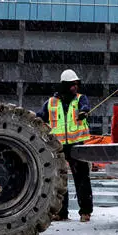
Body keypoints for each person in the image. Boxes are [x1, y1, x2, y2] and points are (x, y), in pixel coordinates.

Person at [37, 69, 93, 222]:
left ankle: (85, 212)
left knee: (82, 178)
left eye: (77, 84)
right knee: (59, 180)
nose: (76, 87)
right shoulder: (51, 103)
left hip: (77, 145)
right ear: (65, 85)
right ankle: (61, 212)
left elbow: (85, 107)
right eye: (73, 84)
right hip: (58, 146)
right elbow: (39, 118)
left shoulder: (81, 99)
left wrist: (83, 112)